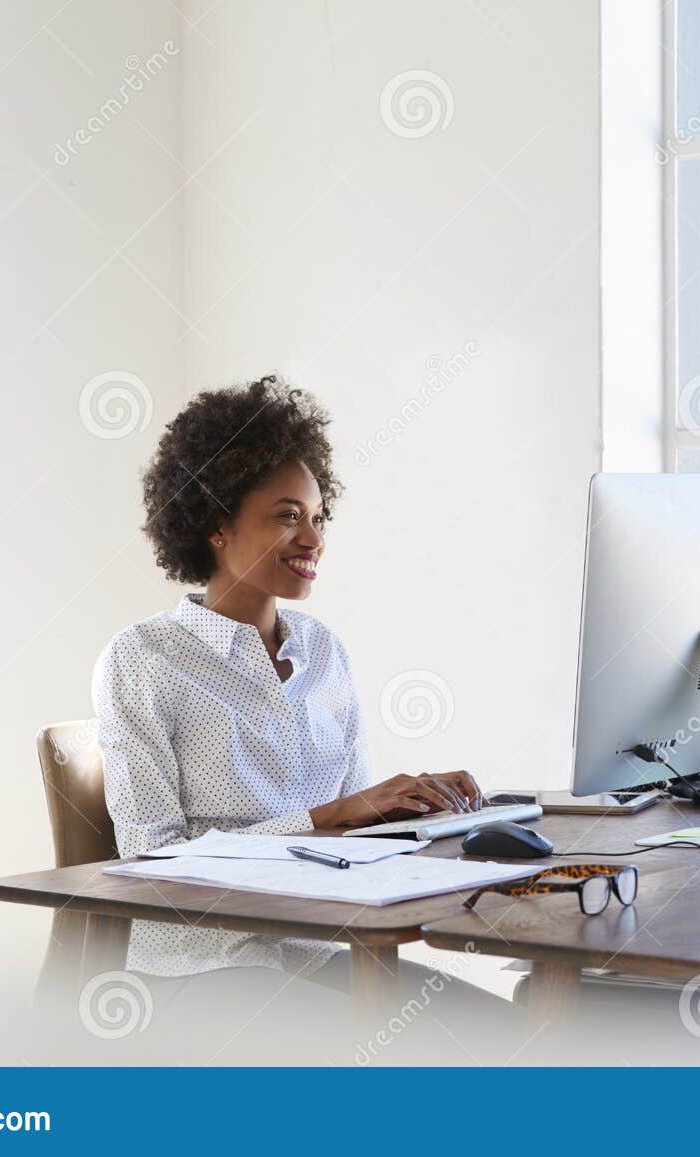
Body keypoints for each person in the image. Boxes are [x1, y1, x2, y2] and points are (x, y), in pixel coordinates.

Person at [93, 375, 485, 982]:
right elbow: (153, 858)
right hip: (207, 966)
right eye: (287, 517)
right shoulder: (143, 658)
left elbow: (357, 828)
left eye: (318, 517)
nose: (314, 539)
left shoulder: (325, 652)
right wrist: (325, 816)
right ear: (215, 527)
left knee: (500, 1032)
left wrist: (423, 810)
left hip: (325, 949)